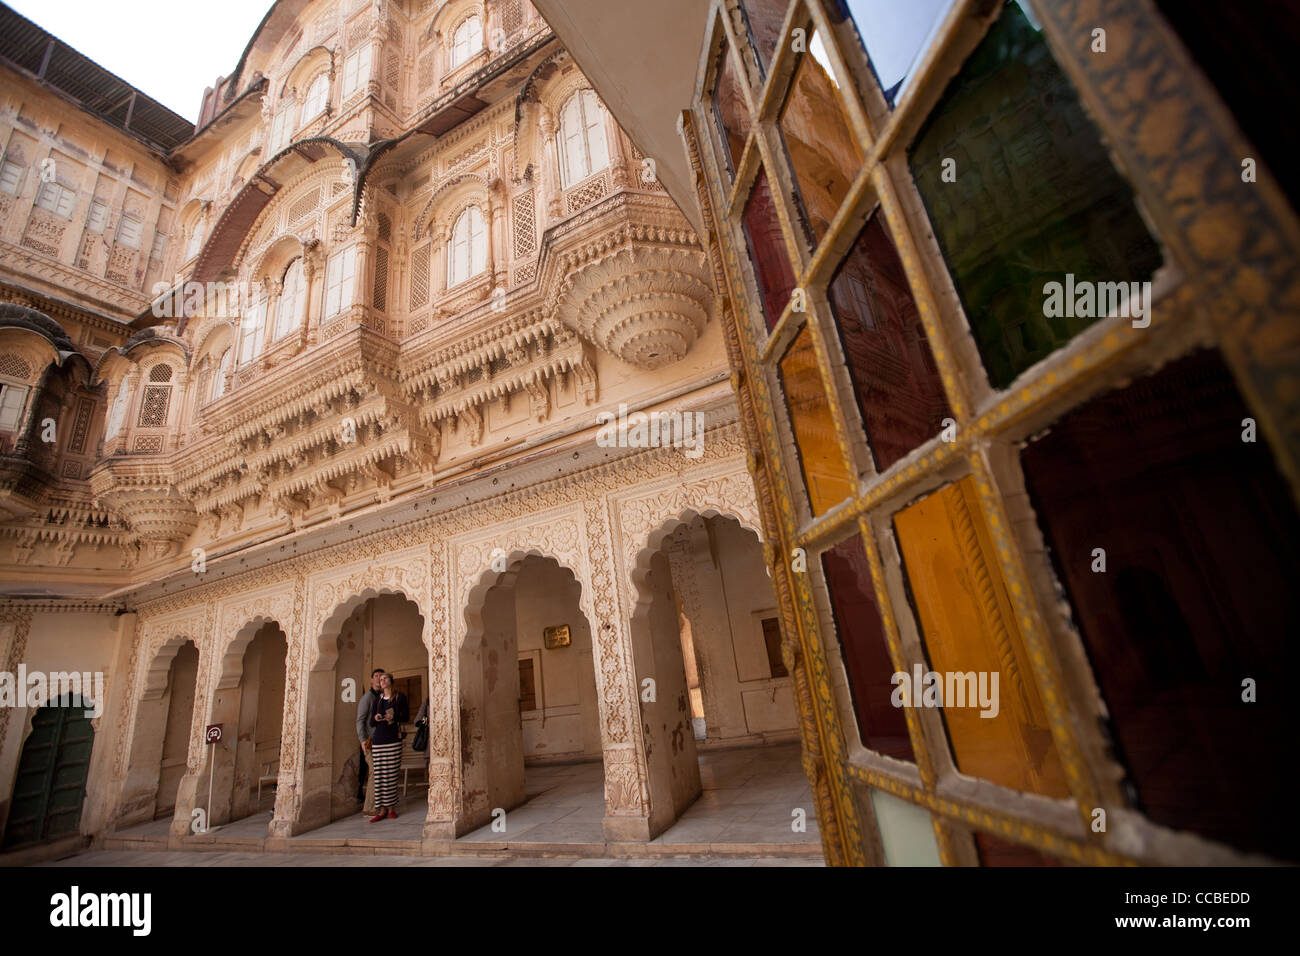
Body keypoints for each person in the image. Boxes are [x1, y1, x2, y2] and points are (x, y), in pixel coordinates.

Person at [368, 672, 408, 822]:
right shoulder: (377, 700)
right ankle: (381, 810)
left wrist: (394, 716)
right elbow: (371, 723)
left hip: (393, 739)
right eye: (381, 679)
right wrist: (376, 717)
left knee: (391, 775)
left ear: (391, 681)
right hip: (379, 740)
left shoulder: (399, 697)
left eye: (385, 679)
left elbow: (406, 717)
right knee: (379, 776)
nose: (382, 681)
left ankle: (391, 808)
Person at [356, 668, 384, 807]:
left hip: (380, 740)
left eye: (381, 676)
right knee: (373, 773)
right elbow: (360, 720)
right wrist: (362, 740)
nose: (379, 679)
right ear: (372, 680)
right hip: (369, 741)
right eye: (376, 676)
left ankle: (378, 804)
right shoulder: (367, 698)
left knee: (379, 773)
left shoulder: (381, 697)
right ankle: (370, 806)